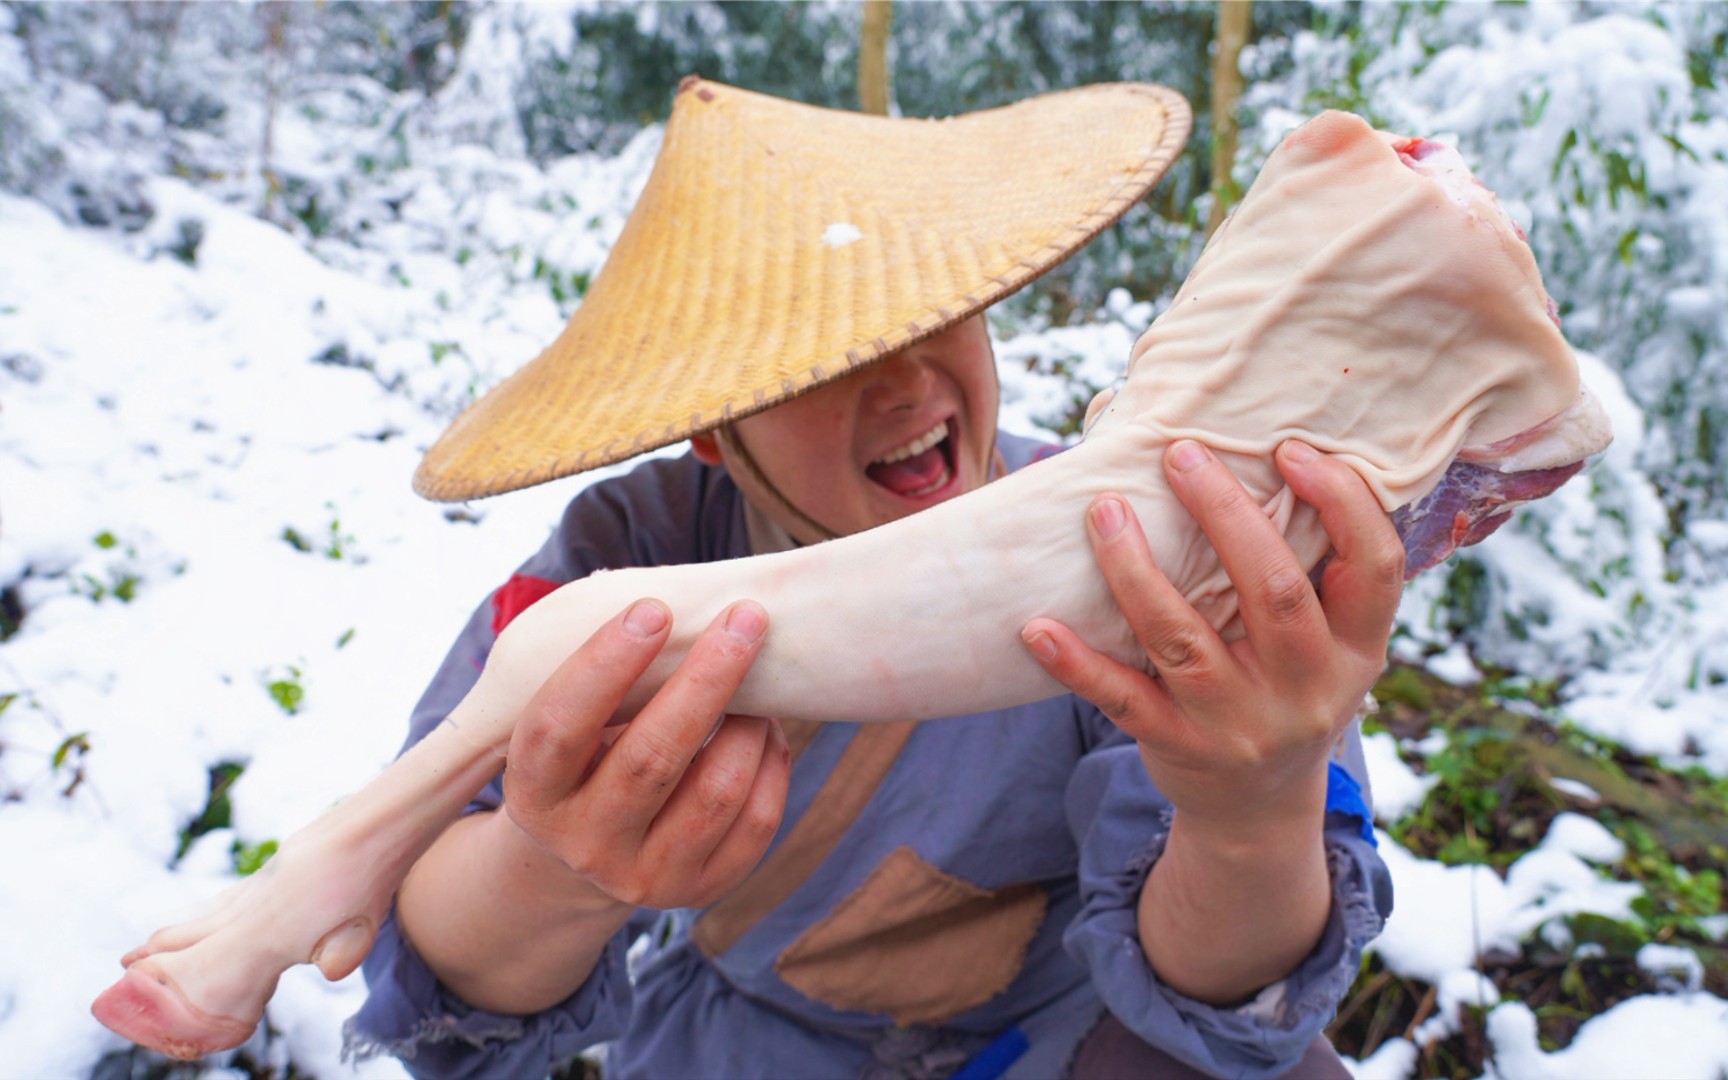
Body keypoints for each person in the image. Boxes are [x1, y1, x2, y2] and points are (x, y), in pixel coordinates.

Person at [348, 79, 1397, 1080]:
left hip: (1078, 1035)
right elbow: (439, 888)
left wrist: (1251, 810)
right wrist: (550, 872)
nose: (903, 380)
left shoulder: (1134, 536)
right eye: (814, 361)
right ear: (716, 430)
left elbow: (1230, 979)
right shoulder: (633, 560)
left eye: (930, 310)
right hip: (758, 1048)